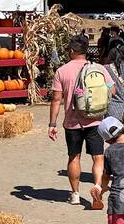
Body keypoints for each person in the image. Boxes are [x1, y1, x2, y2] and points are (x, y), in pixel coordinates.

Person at [48, 34, 115, 207]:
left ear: (71, 51)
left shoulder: (62, 71)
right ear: (86, 51)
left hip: (72, 123)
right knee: (98, 158)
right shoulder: (99, 68)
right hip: (95, 120)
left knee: (74, 157)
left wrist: (52, 124)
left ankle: (75, 194)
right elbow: (112, 91)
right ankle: (98, 188)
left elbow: (56, 100)